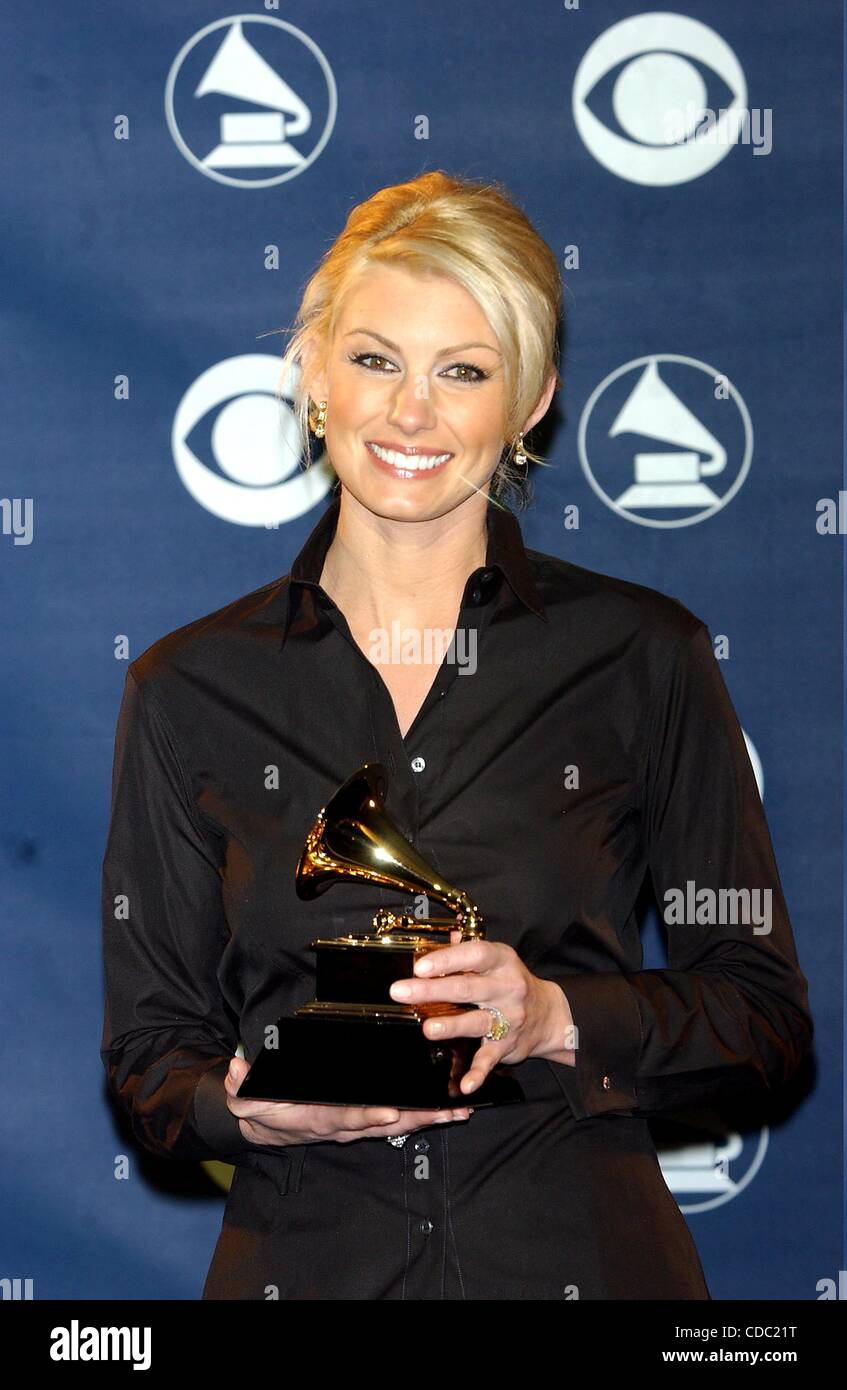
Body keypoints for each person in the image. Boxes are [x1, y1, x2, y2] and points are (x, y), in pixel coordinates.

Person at [100, 170, 813, 1300]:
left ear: (530, 405)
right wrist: (237, 1107)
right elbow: (148, 1058)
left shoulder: (641, 654)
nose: (411, 413)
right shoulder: (190, 686)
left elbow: (763, 1017)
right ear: (314, 375)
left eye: (464, 372)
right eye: (375, 359)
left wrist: (556, 1015)